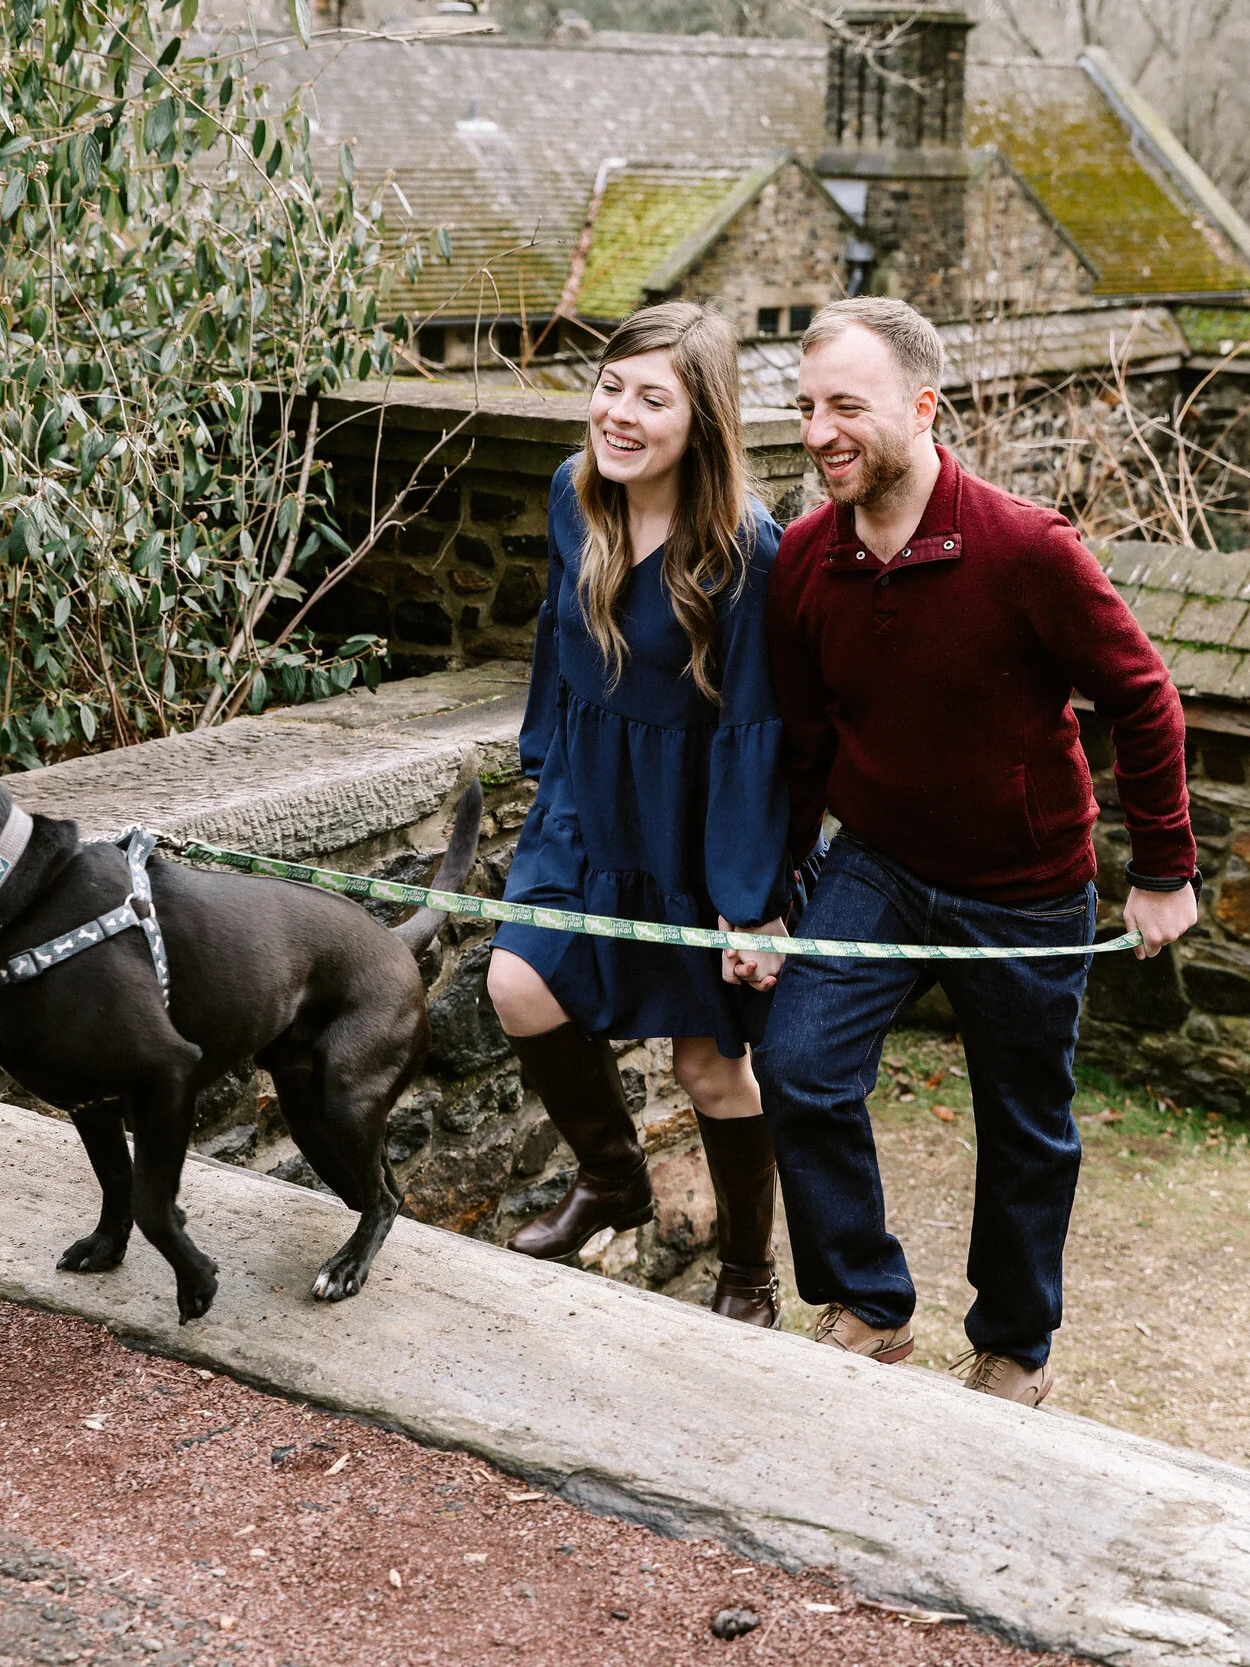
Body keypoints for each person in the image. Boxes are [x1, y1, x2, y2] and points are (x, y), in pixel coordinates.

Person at [750, 297, 1199, 1405]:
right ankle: (866, 1300)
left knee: (1025, 1126)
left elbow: (1143, 700)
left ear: (922, 406)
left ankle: (1014, 1345)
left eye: (846, 406)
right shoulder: (805, 559)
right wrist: (766, 897)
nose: (818, 432)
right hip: (880, 865)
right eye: (806, 407)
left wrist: (1162, 871)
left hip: (1026, 885)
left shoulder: (1025, 549)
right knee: (798, 1065)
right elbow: (801, 746)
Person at [486, 301, 795, 1328]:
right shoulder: (572, 498)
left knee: (710, 1066)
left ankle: (748, 1277)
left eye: (650, 397)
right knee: (518, 982)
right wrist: (545, 762)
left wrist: (748, 903)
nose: (617, 413)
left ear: (701, 419)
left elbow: (756, 725)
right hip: (585, 804)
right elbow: (555, 632)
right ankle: (613, 1177)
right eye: (609, 385)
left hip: (696, 831)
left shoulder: (744, 549)